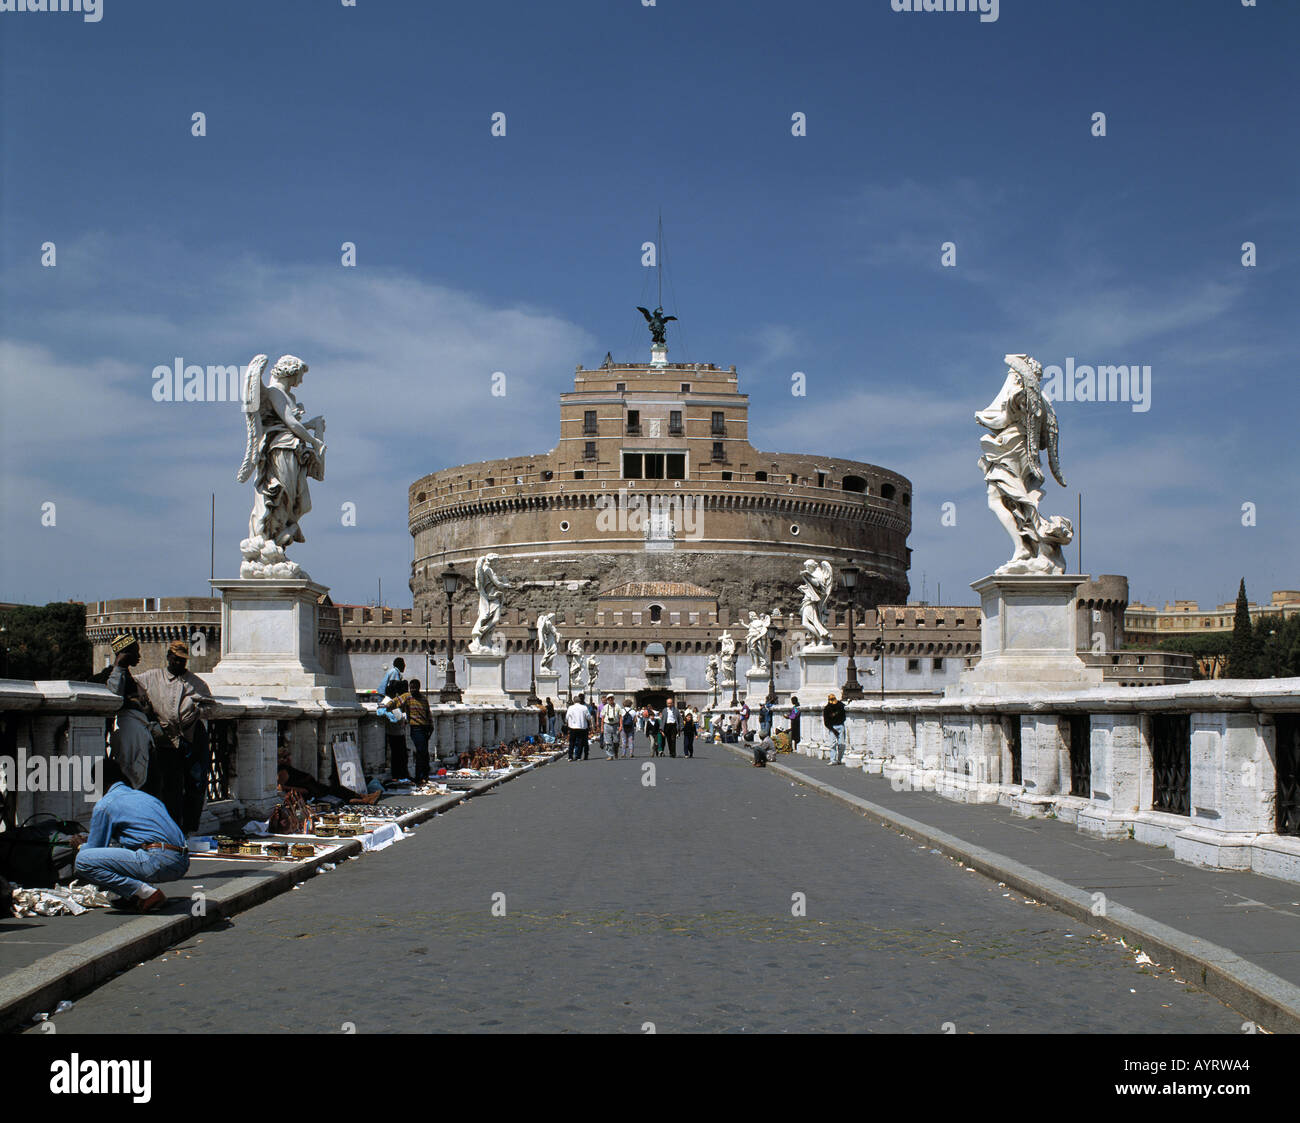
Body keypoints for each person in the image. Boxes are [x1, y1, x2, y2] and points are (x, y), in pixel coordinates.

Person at [72, 759, 188, 913]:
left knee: (83, 860)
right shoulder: (146, 797)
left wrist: (80, 846)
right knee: (121, 847)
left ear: (98, 783)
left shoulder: (105, 805)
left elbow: (94, 849)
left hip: (158, 861)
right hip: (182, 861)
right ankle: (134, 895)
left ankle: (148, 894)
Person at [135, 640, 212, 835]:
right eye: (176, 659)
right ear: (168, 657)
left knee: (196, 783)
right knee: (171, 786)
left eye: (182, 661)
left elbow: (211, 707)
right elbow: (132, 684)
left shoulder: (196, 683)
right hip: (165, 740)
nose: (179, 664)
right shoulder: (152, 677)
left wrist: (194, 710)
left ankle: (190, 828)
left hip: (192, 738)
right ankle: (173, 828)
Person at [95, 634, 155, 789]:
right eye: (136, 652)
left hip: (138, 732)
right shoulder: (109, 675)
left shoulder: (129, 678)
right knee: (132, 778)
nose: (139, 656)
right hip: (129, 735)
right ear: (125, 654)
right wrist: (119, 666)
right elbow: (113, 697)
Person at [400, 679, 433, 782]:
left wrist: (431, 727)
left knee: (424, 752)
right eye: (411, 688)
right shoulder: (407, 697)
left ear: (419, 688)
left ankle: (424, 775)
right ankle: (420, 776)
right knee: (421, 751)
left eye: (415, 688)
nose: (413, 690)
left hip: (425, 728)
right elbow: (397, 702)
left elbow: (428, 714)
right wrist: (386, 707)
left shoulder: (423, 699)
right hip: (416, 728)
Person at [377, 680, 410, 780]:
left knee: (401, 755)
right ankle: (398, 775)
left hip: (398, 731)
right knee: (397, 755)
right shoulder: (386, 701)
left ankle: (402, 774)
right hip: (393, 732)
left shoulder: (393, 701)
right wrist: (395, 717)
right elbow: (381, 712)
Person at [824, 692, 847, 765]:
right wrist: (833, 730)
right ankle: (833, 760)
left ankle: (839, 759)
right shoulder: (827, 709)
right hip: (832, 727)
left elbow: (844, 713)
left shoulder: (840, 705)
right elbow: (826, 722)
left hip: (840, 725)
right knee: (832, 744)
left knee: (841, 744)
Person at [566, 693, 591, 761]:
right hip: (582, 727)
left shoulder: (570, 708)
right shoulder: (584, 707)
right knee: (580, 742)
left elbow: (567, 717)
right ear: (580, 701)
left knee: (572, 742)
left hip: (573, 727)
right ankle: (578, 756)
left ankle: (570, 756)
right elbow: (588, 717)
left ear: (574, 701)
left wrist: (568, 723)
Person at [600, 695, 620, 760]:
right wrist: (602, 727)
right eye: (609, 698)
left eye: (612, 698)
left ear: (614, 699)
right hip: (607, 725)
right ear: (607, 700)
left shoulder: (617, 706)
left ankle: (616, 752)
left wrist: (621, 726)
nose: (610, 699)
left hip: (615, 725)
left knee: (616, 741)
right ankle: (610, 755)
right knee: (608, 741)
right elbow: (602, 718)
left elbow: (621, 716)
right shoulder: (605, 707)